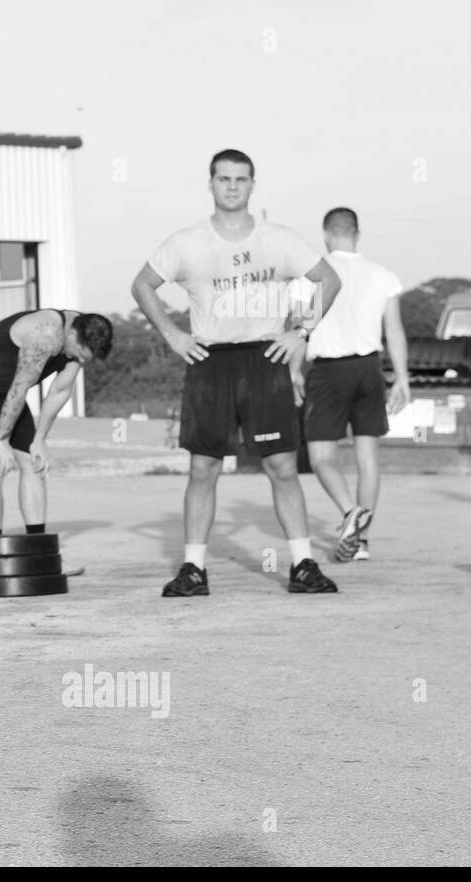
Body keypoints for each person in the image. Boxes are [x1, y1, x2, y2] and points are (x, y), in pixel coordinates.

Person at [130, 148, 343, 597]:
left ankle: (303, 564)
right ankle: (193, 570)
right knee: (203, 467)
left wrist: (300, 332)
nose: (231, 186)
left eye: (240, 179)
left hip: (266, 358)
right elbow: (142, 285)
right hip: (211, 361)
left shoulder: (279, 239)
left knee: (282, 465)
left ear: (252, 185)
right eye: (223, 179)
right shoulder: (186, 241)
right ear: (210, 184)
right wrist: (172, 335)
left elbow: (328, 280)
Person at [301, 207, 409, 562]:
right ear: (356, 234)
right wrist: (402, 378)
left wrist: (291, 373)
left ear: (327, 234)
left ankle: (350, 511)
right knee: (368, 457)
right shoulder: (382, 274)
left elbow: (296, 331)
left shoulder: (312, 276)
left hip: (329, 371)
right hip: (369, 369)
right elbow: (394, 330)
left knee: (320, 457)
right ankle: (361, 542)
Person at [0, 309, 113, 535]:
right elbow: (20, 388)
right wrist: (1, 439)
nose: (80, 361)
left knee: (33, 461)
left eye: (85, 359)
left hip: (7, 388)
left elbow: (60, 391)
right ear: (72, 335)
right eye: (81, 355)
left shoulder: (83, 333)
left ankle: (38, 546)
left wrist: (39, 440)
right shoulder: (44, 335)